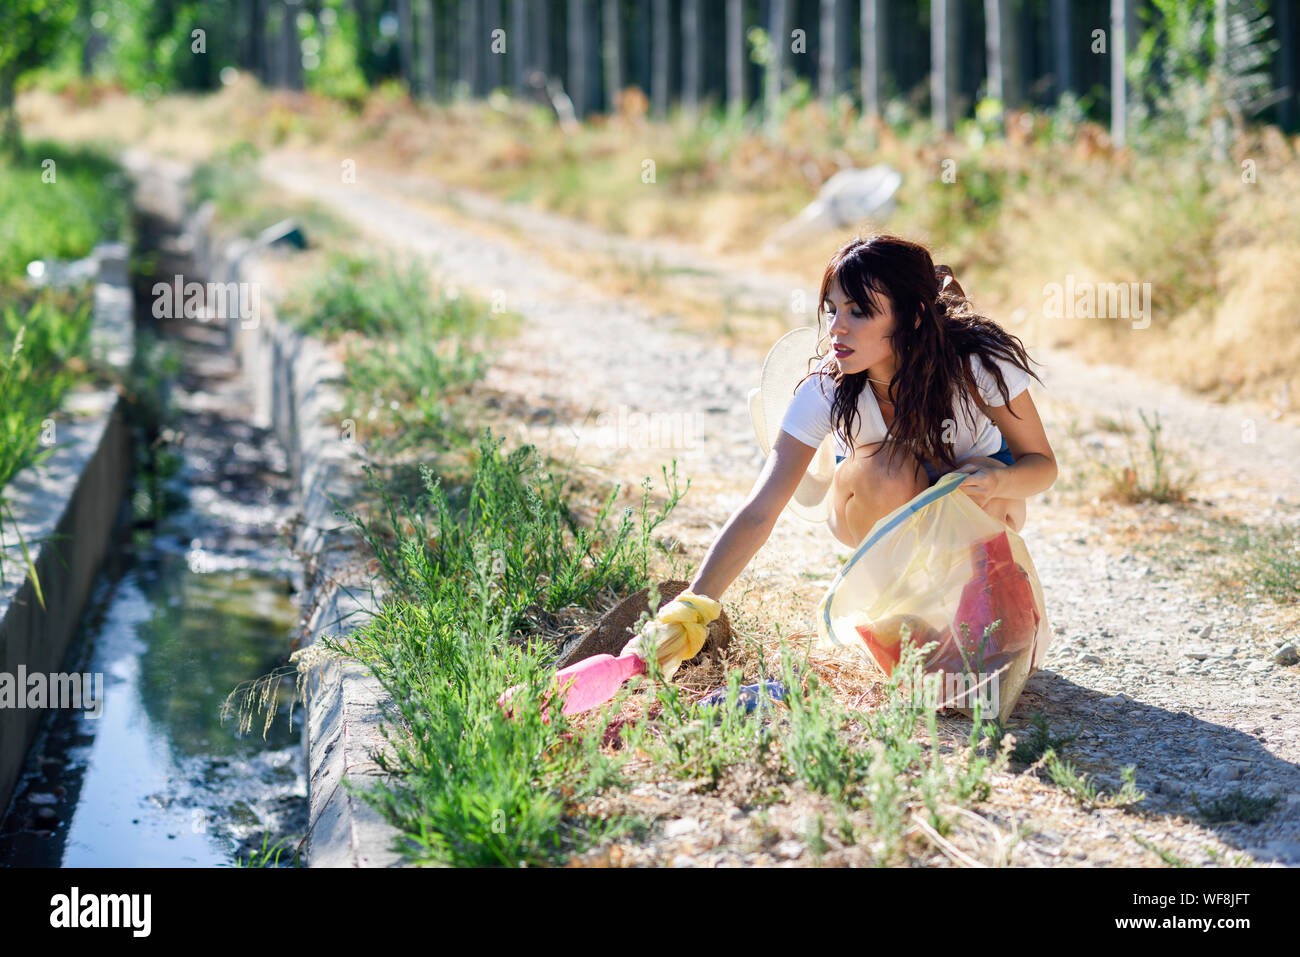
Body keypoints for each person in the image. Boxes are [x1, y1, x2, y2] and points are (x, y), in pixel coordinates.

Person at [684, 234, 1059, 610]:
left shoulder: (977, 366)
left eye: (858, 312)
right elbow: (760, 511)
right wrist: (691, 605)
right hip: (867, 507)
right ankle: (898, 613)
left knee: (967, 480)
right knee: (886, 469)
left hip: (986, 509)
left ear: (913, 317)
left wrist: (997, 481)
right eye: (832, 309)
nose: (836, 327)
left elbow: (1043, 466)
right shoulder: (824, 389)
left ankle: (976, 615)